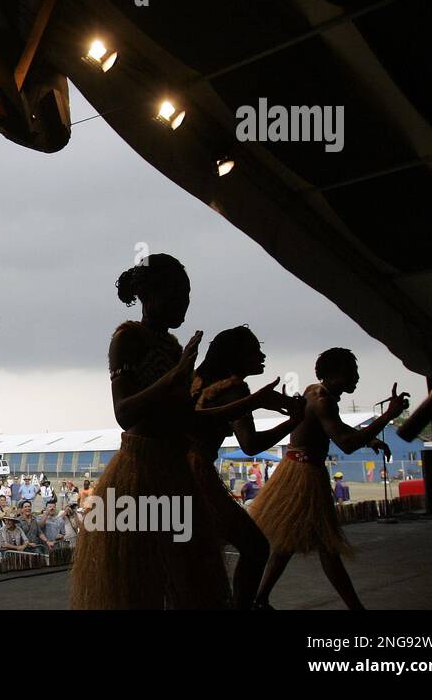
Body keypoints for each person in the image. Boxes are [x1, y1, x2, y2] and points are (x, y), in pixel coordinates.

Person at [71, 254, 286, 609]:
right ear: (152, 295)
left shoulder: (172, 347)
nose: (186, 304)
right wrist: (175, 375)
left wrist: (253, 402)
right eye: (179, 295)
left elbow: (190, 418)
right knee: (144, 584)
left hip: (175, 472)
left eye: (188, 296)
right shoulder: (127, 338)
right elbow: (124, 413)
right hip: (139, 474)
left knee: (189, 580)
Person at [250, 348, 407, 610]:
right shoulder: (324, 401)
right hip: (306, 476)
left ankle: (260, 599)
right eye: (351, 373)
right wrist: (388, 416)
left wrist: (370, 438)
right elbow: (345, 443)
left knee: (287, 542)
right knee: (326, 546)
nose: (356, 378)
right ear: (334, 375)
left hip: (295, 471)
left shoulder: (315, 391)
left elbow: (333, 427)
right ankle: (355, 608)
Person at [189, 324, 304, 609]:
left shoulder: (196, 382)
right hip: (197, 476)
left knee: (198, 556)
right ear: (236, 356)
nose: (262, 355)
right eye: (255, 350)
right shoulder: (234, 389)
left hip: (177, 472)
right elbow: (250, 444)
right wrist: (293, 422)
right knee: (255, 547)